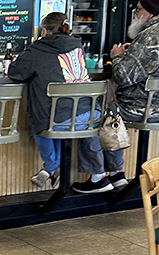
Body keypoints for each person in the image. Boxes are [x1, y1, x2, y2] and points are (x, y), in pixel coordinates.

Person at [72, 0, 159, 194]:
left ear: (150, 13)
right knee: (108, 108)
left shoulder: (152, 35)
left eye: (138, 11)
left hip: (142, 108)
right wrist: (132, 54)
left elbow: (124, 77)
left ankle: (98, 177)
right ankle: (116, 174)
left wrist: (117, 56)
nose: (135, 15)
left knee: (89, 113)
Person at [8, 12, 100, 190]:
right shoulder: (78, 45)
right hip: (90, 117)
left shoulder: (38, 49)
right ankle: (54, 169)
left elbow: (15, 72)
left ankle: (52, 167)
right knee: (55, 115)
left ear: (44, 31)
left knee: (43, 120)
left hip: (60, 119)